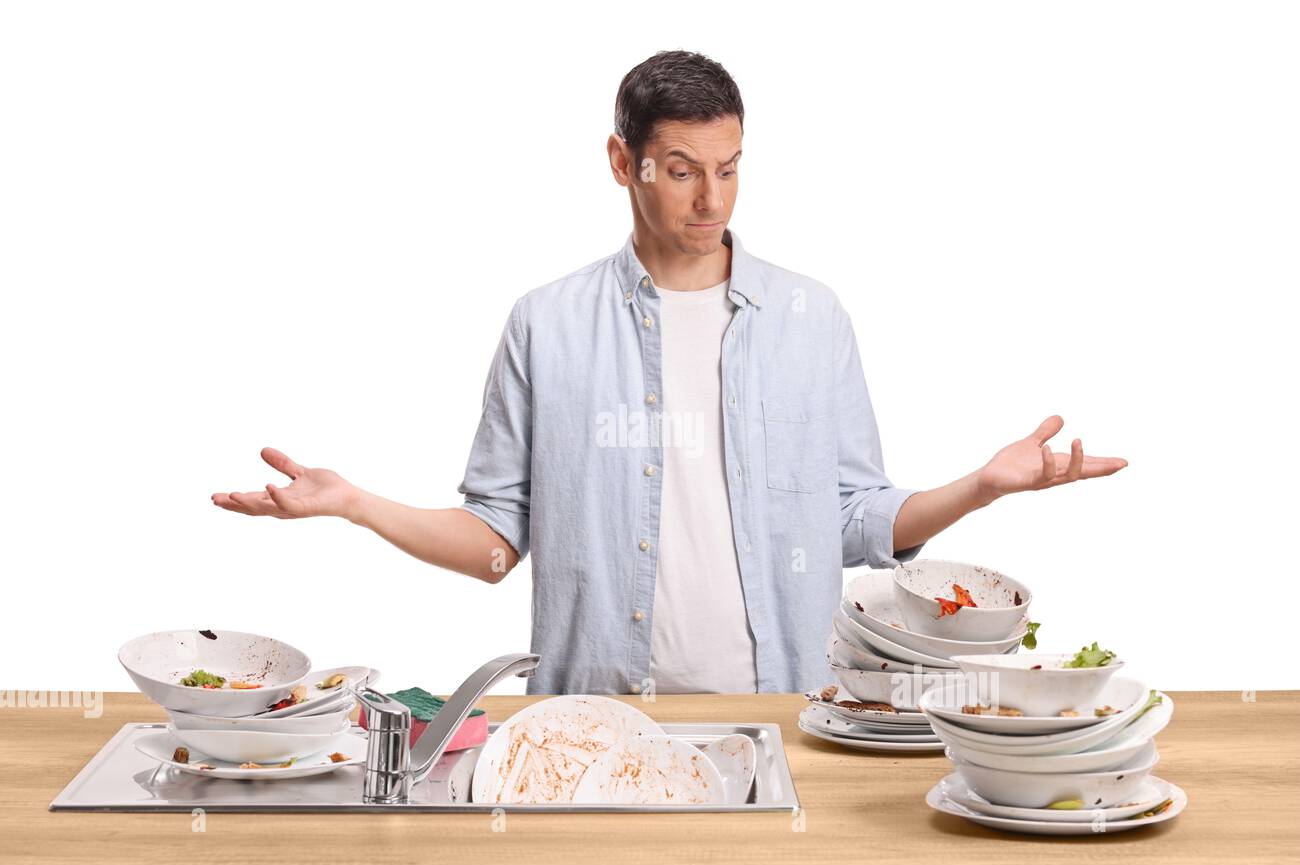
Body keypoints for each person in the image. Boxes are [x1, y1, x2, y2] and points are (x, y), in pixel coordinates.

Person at [212, 50, 1127, 696]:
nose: (711, 199)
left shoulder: (812, 321)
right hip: (597, 723)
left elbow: (852, 520)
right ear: (624, 161)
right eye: (683, 170)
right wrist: (356, 504)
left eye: (730, 170)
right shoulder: (548, 324)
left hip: (783, 714)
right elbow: (496, 541)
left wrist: (980, 487)